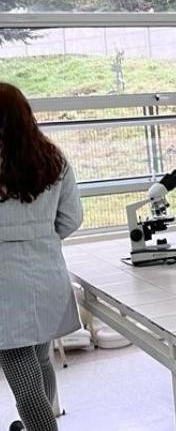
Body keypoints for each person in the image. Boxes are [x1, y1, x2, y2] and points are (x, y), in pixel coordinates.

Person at [0, 82, 84, 431]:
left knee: (25, 385)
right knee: (41, 363)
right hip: (47, 275)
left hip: (6, 288)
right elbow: (72, 218)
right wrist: (41, 240)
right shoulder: (53, 158)